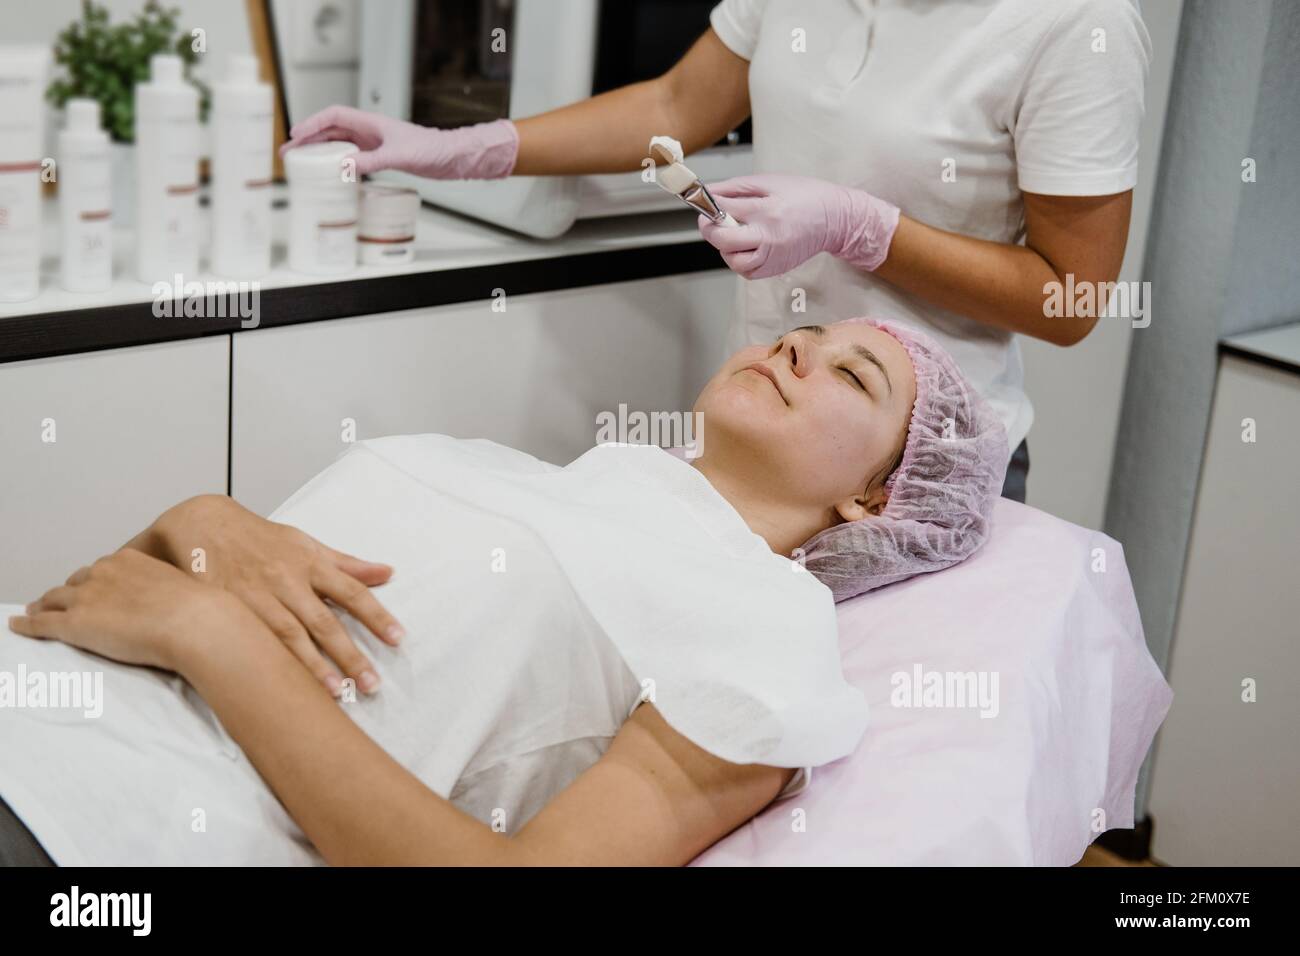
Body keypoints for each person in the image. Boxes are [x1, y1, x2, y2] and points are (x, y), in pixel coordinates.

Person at [2, 318, 1006, 866]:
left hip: (87, 826)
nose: (796, 346)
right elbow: (104, 605)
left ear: (877, 499)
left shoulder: (766, 626)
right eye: (807, 329)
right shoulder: (496, 466)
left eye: (853, 376)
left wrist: (216, 639)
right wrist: (194, 524)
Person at [279, 0, 1150, 505]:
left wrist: (864, 227)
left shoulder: (1078, 23)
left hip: (912, 468)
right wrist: (461, 148)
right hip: (762, 439)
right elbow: (677, 103)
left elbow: (1069, 300)